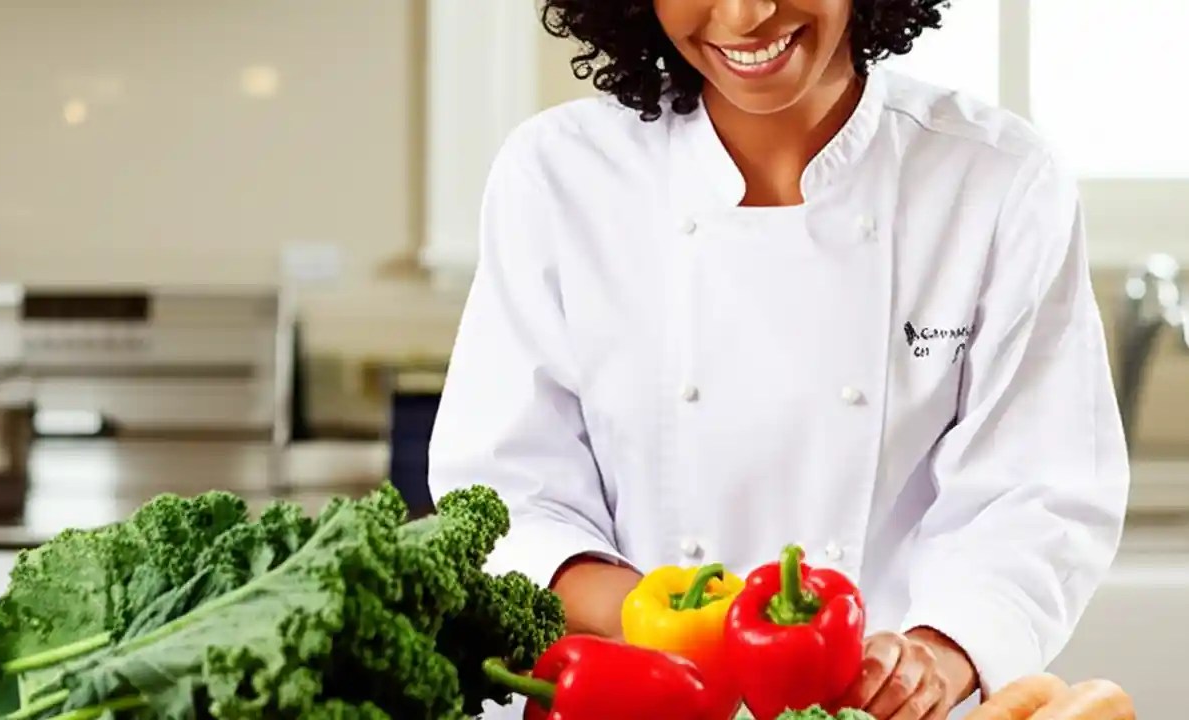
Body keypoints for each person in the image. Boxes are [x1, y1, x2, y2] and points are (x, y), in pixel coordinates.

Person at [428, 1, 1130, 718]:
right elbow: (505, 490)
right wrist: (679, 631)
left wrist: (937, 654)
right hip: (630, 698)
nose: (746, 14)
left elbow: (1038, 492)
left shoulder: (997, 179)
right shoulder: (558, 175)